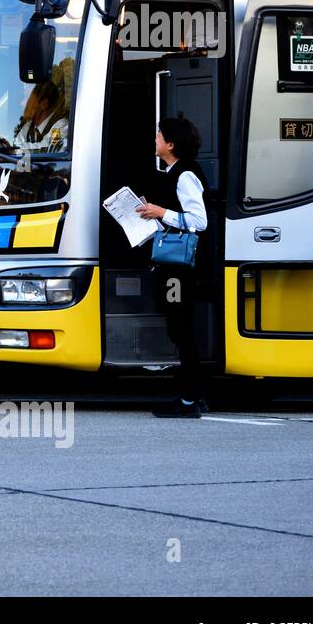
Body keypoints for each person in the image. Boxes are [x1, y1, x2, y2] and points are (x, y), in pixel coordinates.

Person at [135, 116, 209, 418]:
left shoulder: (185, 175)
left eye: (158, 135)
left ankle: (190, 399)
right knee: (180, 328)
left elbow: (198, 221)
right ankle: (194, 396)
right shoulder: (174, 172)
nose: (154, 139)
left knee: (181, 329)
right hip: (175, 267)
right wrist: (151, 209)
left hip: (179, 268)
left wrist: (160, 211)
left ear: (171, 144)